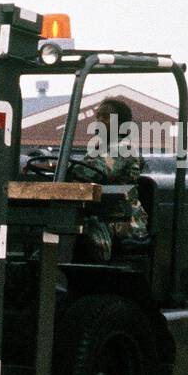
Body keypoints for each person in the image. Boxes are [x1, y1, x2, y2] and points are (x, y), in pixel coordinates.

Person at [67, 97, 149, 260]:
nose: (98, 121)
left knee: (89, 224)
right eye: (97, 116)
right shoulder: (98, 149)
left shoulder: (124, 148)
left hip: (123, 219)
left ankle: (97, 270)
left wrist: (64, 167)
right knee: (62, 222)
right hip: (103, 213)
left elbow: (94, 172)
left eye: (104, 117)